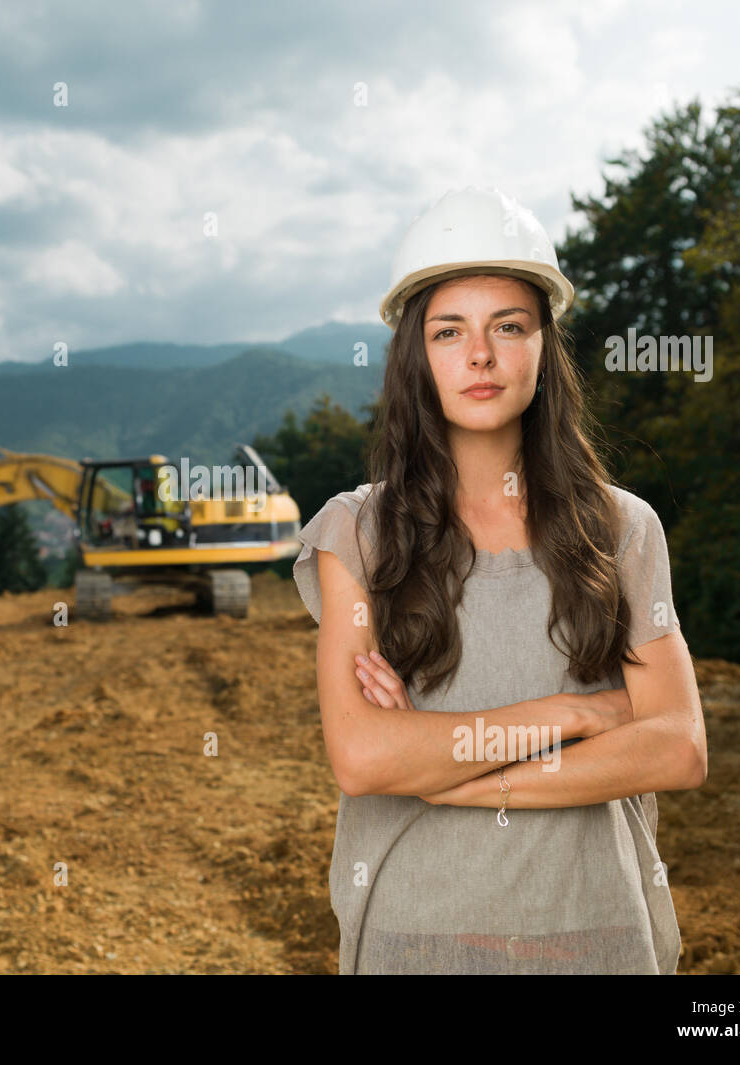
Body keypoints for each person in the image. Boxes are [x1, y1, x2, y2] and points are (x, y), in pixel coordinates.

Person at [292, 186, 707, 975]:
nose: (479, 355)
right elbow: (366, 758)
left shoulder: (622, 529)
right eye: (450, 332)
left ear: (544, 346)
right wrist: (577, 715)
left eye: (507, 327)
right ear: (417, 355)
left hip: (598, 934)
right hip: (417, 939)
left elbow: (677, 748)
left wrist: (455, 776)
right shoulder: (357, 534)